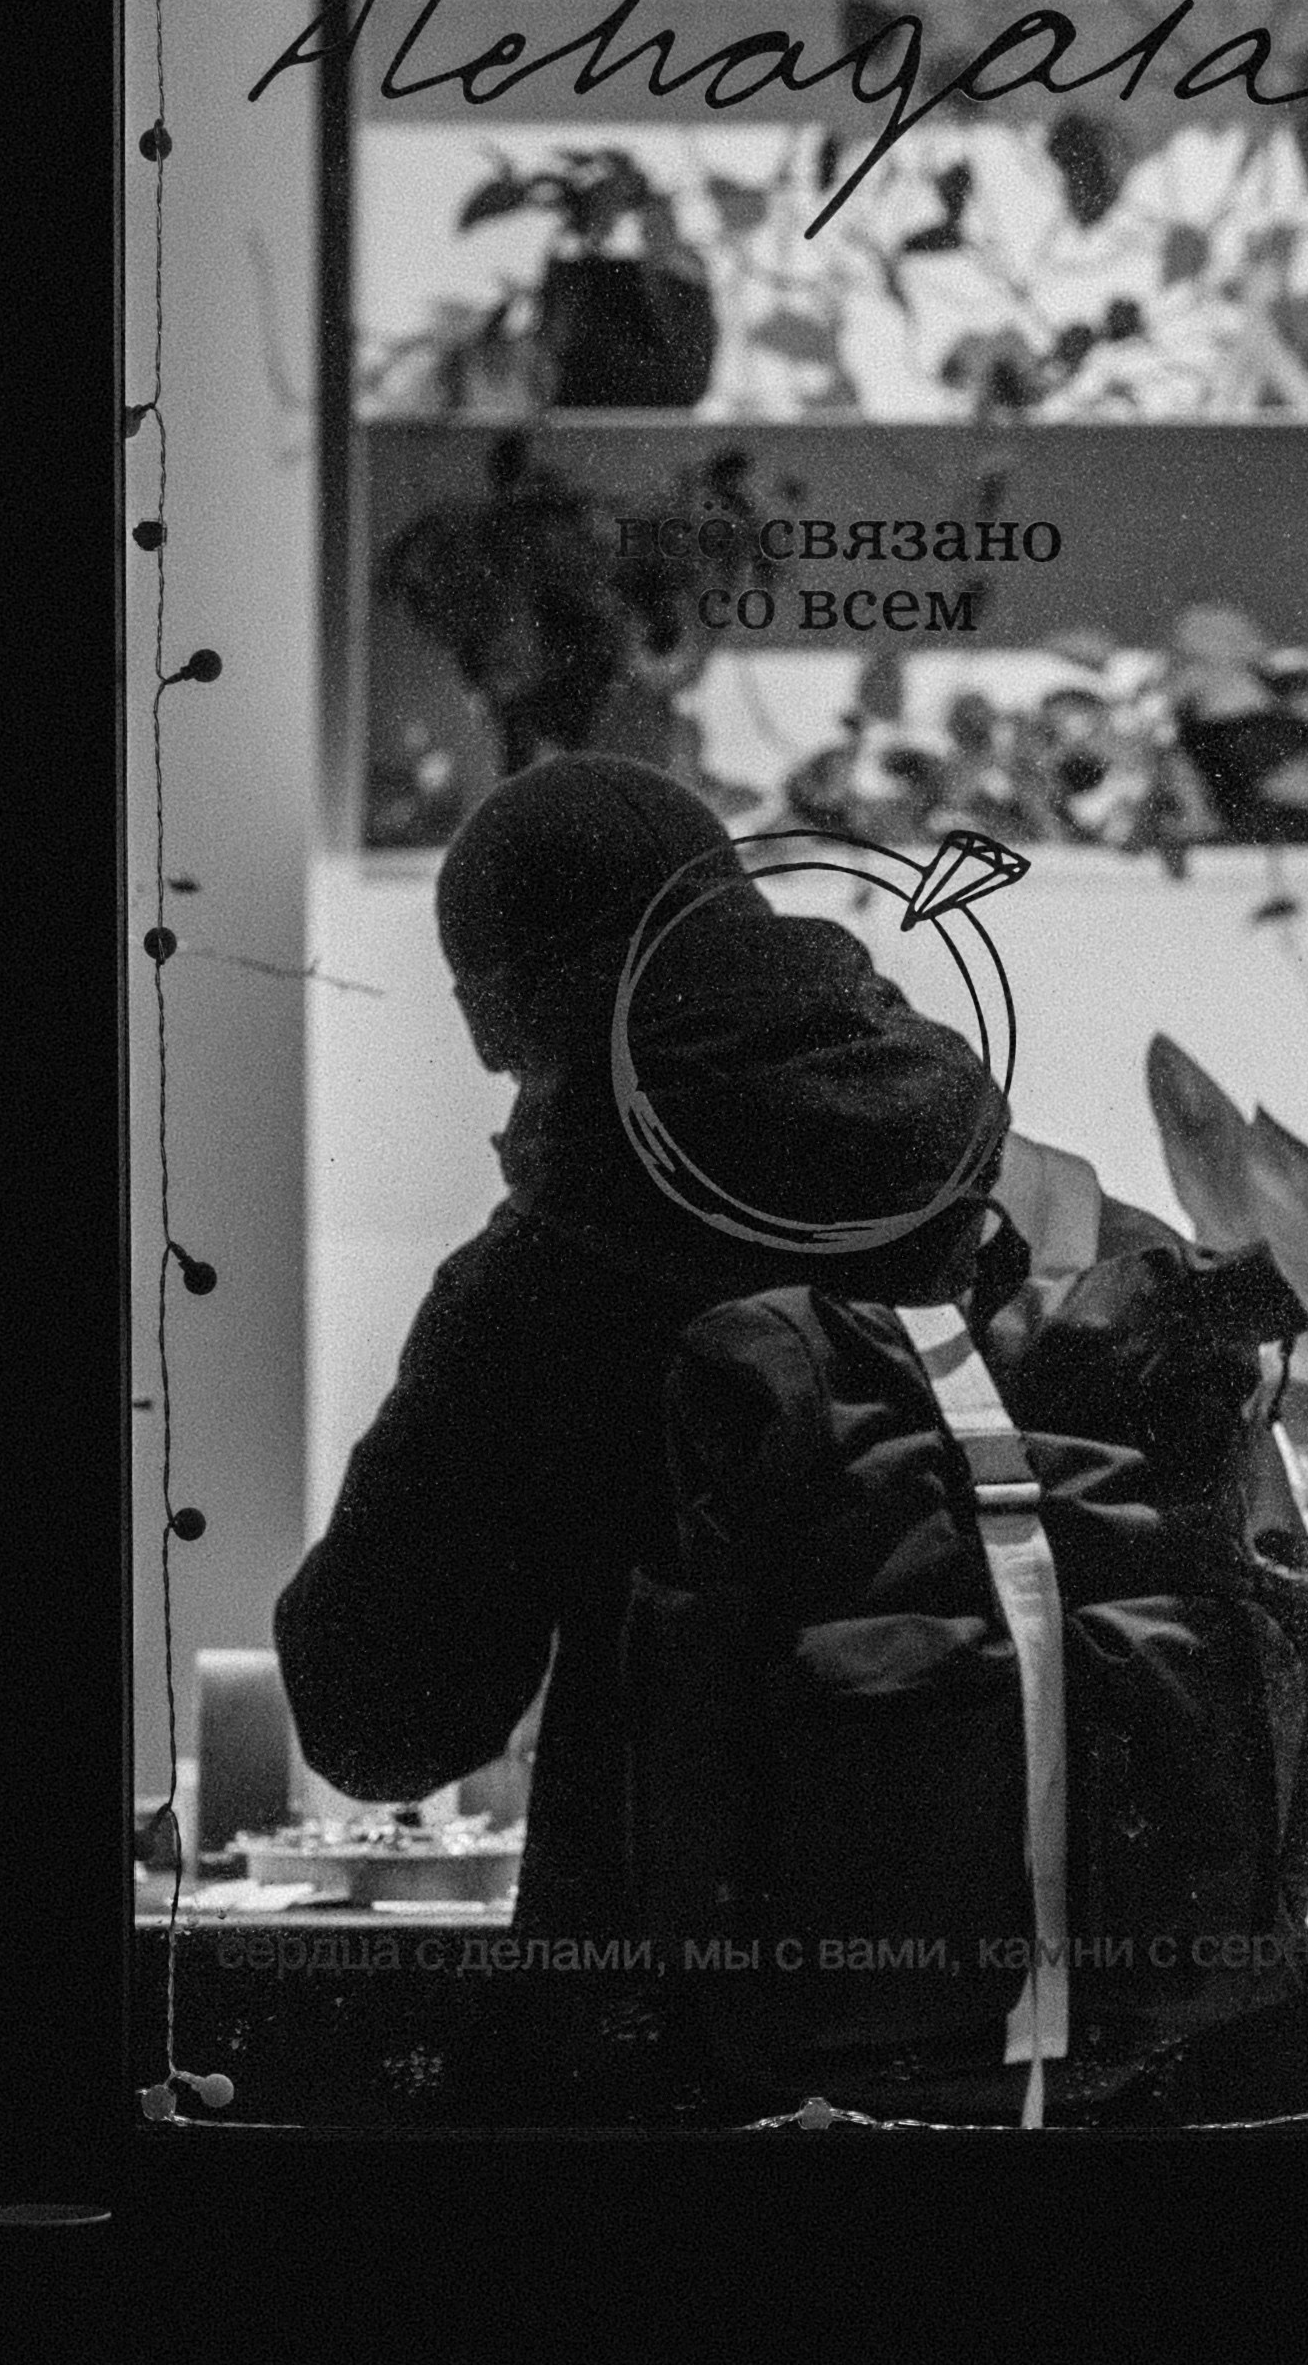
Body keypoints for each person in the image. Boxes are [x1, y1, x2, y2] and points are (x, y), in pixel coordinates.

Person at [271, 753, 1006, 1951]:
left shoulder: (541, 1288)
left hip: (668, 2021)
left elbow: (379, 1723)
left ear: (517, 1023)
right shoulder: (1002, 1198)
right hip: (1039, 2012)